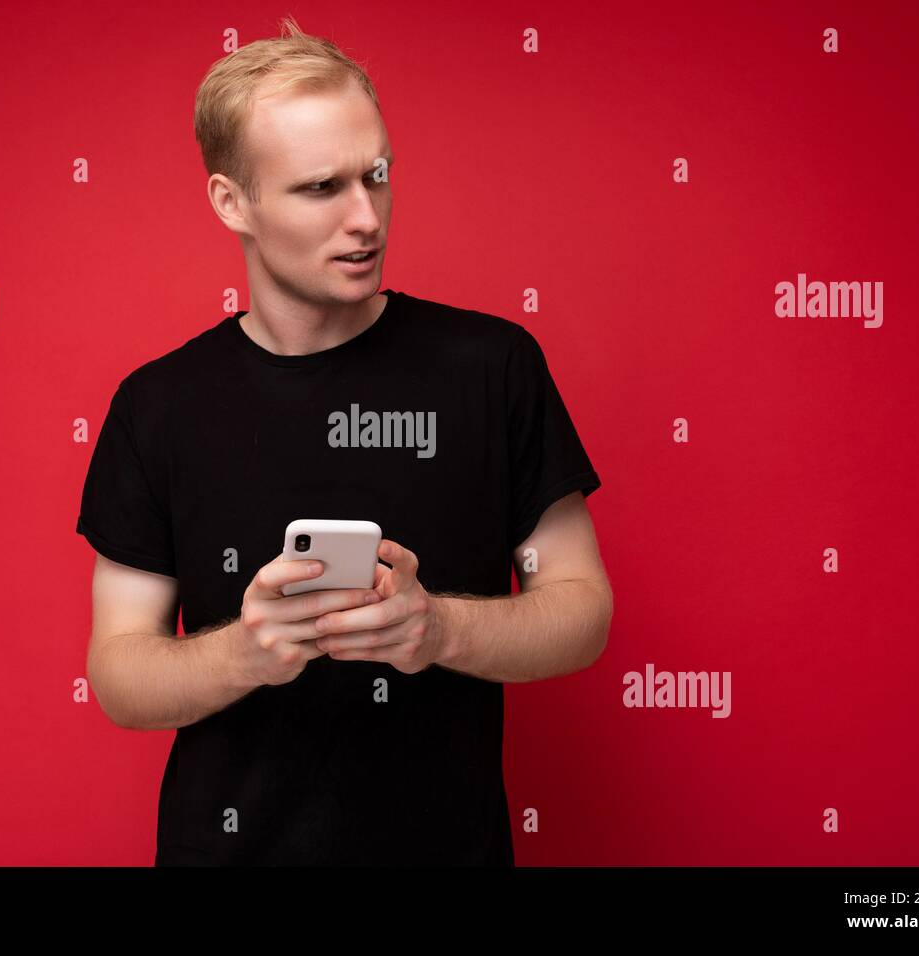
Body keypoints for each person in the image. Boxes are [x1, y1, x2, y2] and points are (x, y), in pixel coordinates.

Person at [75, 16, 613, 866]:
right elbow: (119, 672)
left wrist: (438, 632)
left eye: (379, 175)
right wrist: (244, 655)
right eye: (322, 189)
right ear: (232, 202)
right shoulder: (158, 405)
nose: (367, 217)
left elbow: (581, 611)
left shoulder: (493, 365)